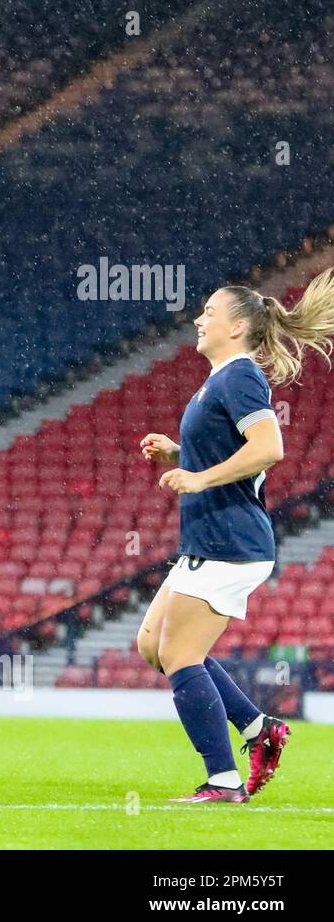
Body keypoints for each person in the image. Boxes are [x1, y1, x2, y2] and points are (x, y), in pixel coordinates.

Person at [137, 269, 334, 802]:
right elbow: (231, 448)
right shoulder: (220, 379)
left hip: (231, 541)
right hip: (209, 538)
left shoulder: (240, 376)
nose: (199, 320)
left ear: (239, 326)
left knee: (180, 655)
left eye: (210, 312)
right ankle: (258, 728)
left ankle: (223, 781)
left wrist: (198, 477)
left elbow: (269, 448)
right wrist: (180, 454)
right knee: (154, 646)